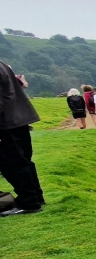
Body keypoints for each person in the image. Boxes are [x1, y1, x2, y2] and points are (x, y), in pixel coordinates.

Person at [0, 61, 44, 216]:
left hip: (6, 123)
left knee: (13, 164)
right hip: (18, 120)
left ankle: (29, 201)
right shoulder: (2, 64)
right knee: (23, 161)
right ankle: (36, 196)